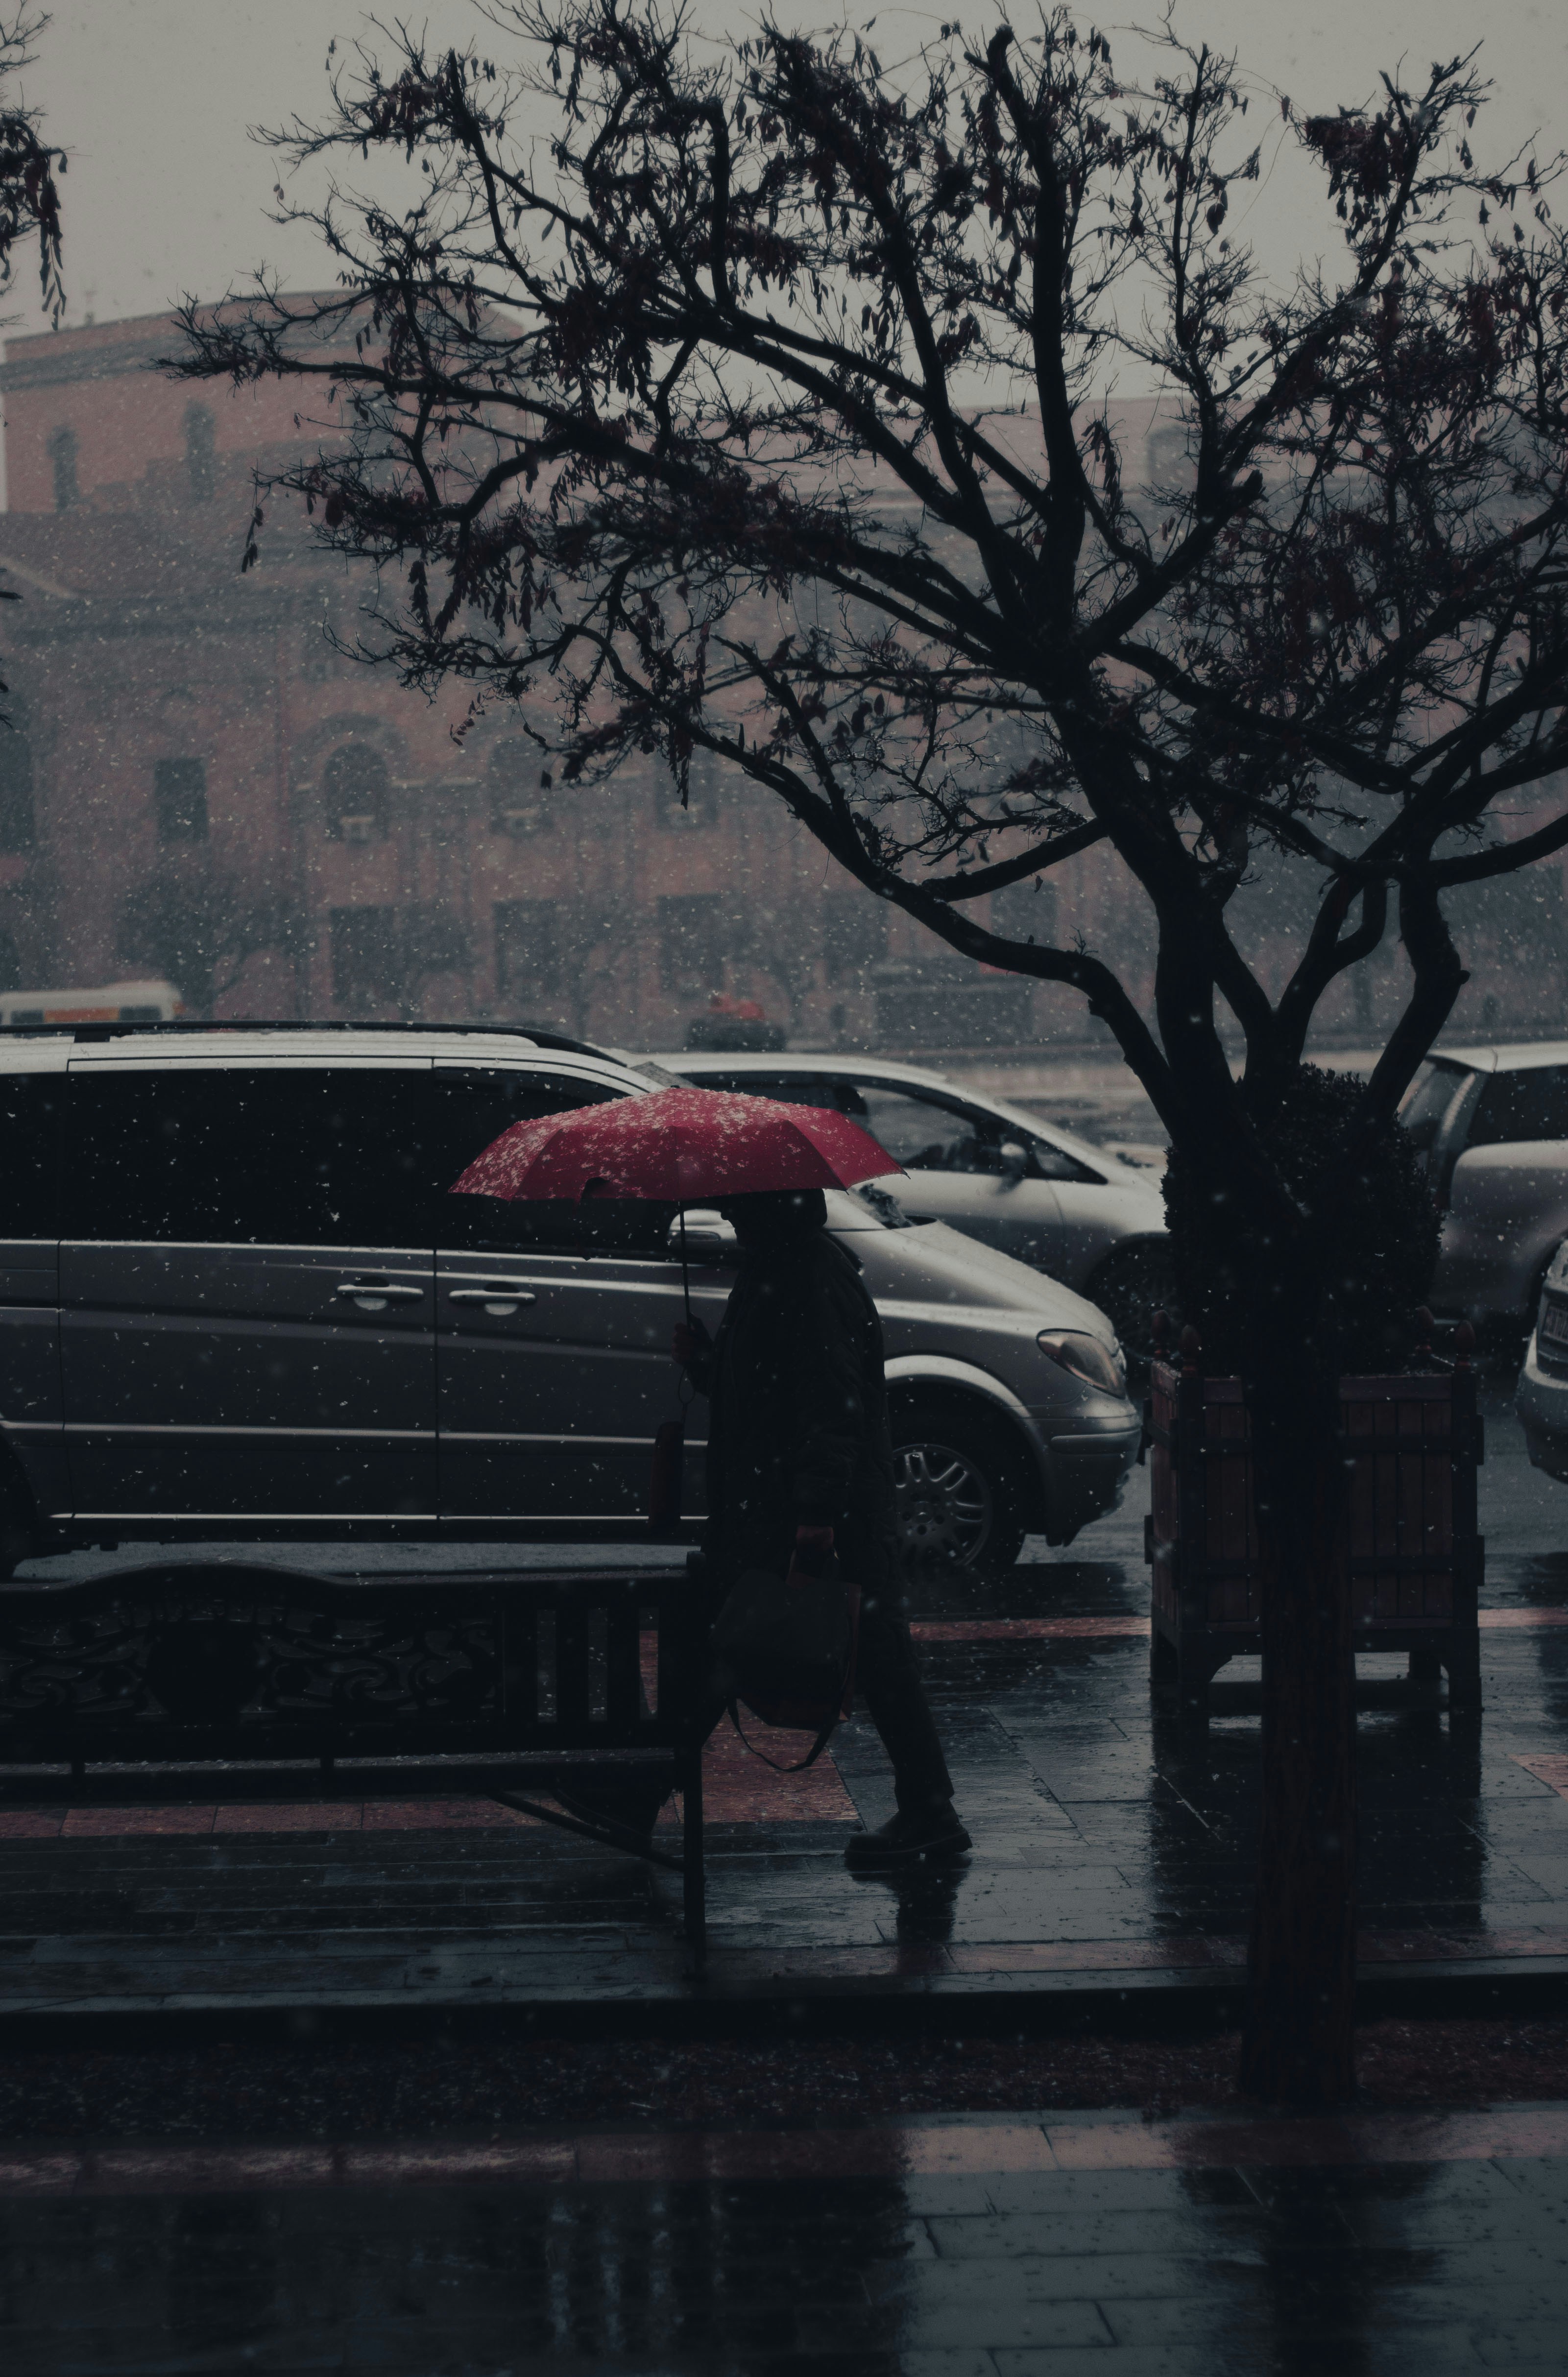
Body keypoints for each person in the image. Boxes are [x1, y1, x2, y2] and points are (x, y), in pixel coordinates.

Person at [562, 1186, 969, 1866]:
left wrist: (815, 1516)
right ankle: (928, 1809)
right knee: (829, 1657)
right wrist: (704, 1362)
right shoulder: (781, 1266)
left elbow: (828, 1404)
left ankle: (637, 1801)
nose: (723, 1215)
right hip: (781, 1513)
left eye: (734, 1204)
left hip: (804, 1519)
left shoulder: (807, 1275)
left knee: (741, 1654)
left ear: (765, 1207)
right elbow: (772, 1387)